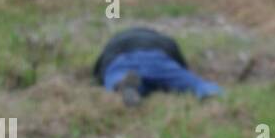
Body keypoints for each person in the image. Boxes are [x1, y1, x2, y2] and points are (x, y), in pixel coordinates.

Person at [92, 26, 223, 106]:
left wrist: (102, 78)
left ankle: (121, 84)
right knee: (194, 83)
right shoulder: (161, 38)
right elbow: (178, 60)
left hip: (120, 59)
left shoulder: (115, 41)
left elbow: (100, 68)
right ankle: (209, 92)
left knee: (116, 76)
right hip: (156, 58)